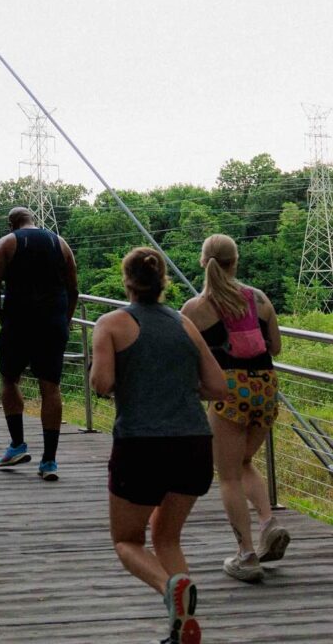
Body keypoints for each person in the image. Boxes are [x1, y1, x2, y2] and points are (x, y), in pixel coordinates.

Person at [91, 247, 228, 644]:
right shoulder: (184, 324)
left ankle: (169, 587)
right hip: (194, 444)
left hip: (141, 445)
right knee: (167, 536)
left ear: (126, 281)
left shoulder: (111, 324)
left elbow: (101, 384)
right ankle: (180, 624)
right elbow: (218, 387)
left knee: (127, 541)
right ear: (163, 281)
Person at [181, 233, 289, 582]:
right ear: (236, 261)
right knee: (243, 461)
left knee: (227, 474)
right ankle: (268, 522)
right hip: (265, 388)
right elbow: (276, 347)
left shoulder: (195, 309)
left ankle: (246, 556)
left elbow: (183, 358)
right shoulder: (258, 299)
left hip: (228, 393)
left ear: (203, 262)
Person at [0, 206, 79, 480]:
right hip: (52, 323)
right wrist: (66, 318)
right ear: (32, 220)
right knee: (51, 387)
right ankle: (49, 461)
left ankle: (17, 444)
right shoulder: (60, 243)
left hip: (19, 322)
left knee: (10, 379)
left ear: (10, 223)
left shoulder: (6, 243)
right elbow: (73, 288)